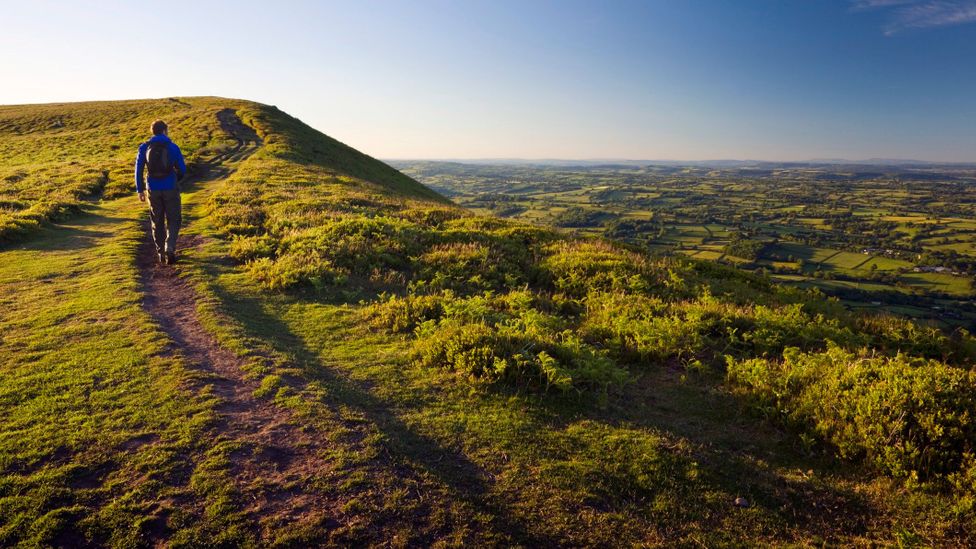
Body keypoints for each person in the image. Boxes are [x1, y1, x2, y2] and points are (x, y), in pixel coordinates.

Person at [135, 120, 187, 265]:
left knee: (156, 221)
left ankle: (161, 253)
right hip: (170, 187)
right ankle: (169, 246)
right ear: (164, 130)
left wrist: (140, 190)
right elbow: (182, 169)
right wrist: (176, 180)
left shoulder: (144, 147)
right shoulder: (173, 147)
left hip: (153, 189)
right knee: (174, 219)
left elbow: (138, 170)